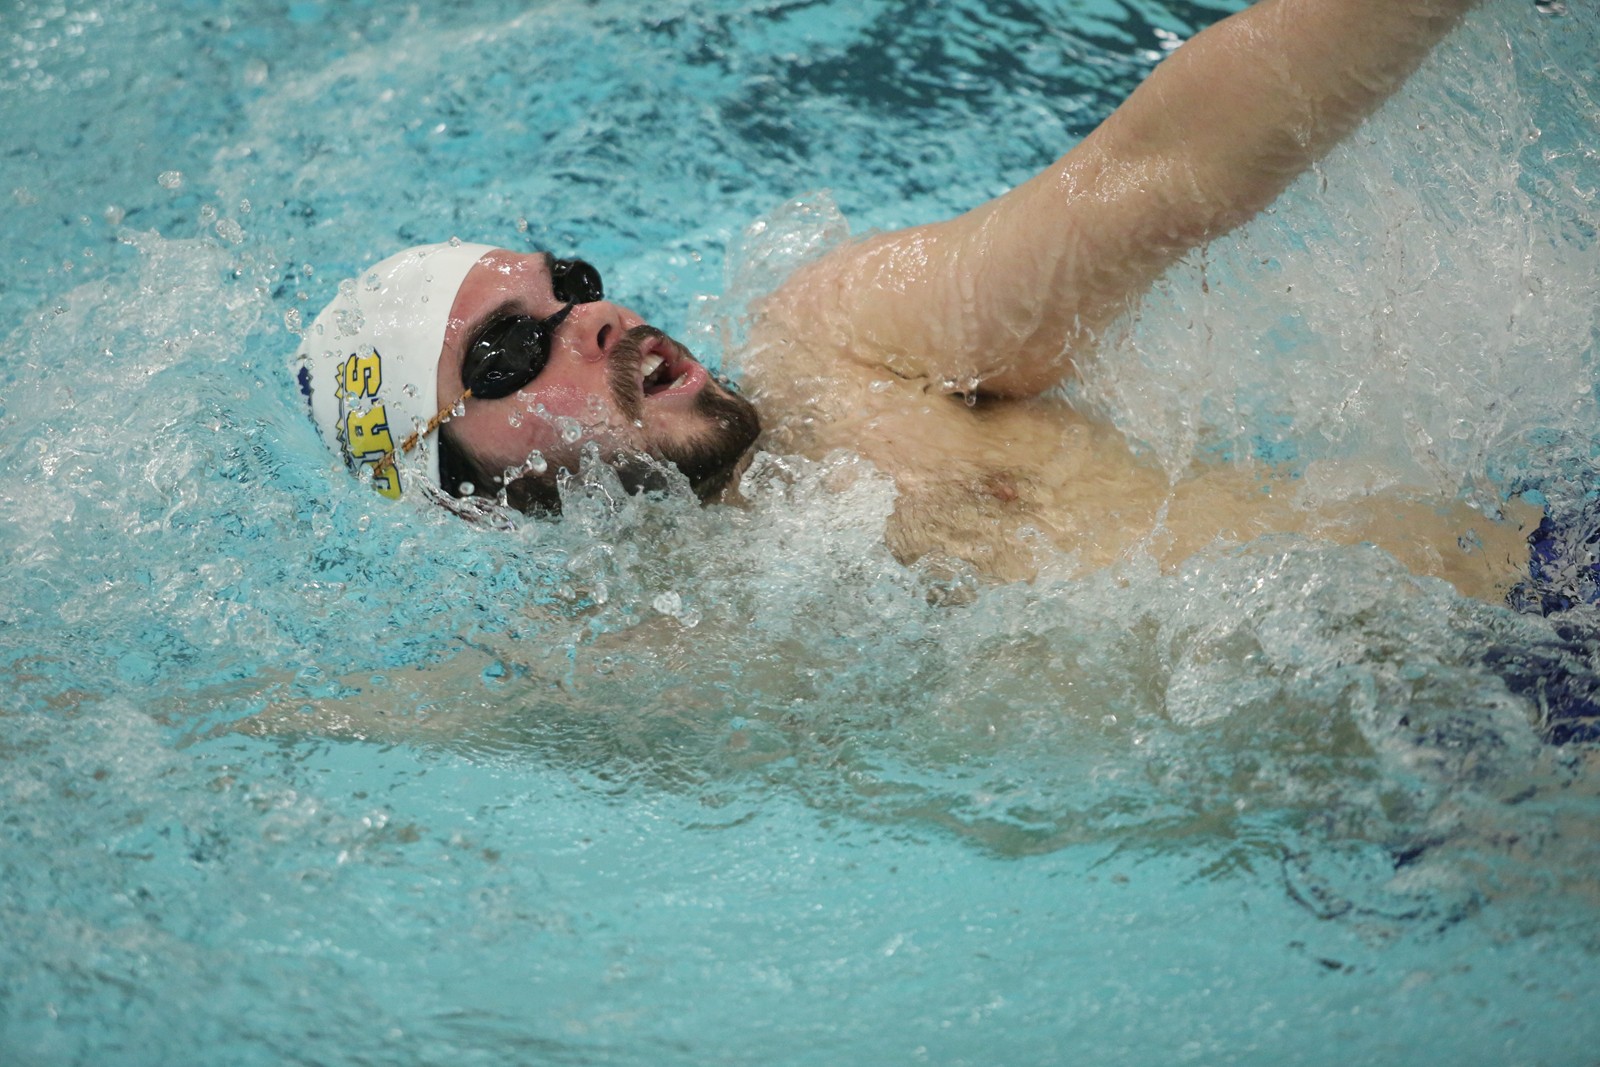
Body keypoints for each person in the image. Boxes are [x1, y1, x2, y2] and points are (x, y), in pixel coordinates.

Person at [294, 0, 1534, 602]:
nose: (594, 321)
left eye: (570, 288)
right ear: (456, 494)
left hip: (1530, 616)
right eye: (511, 349)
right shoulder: (652, 672)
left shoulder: (845, 346)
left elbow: (1159, 173)